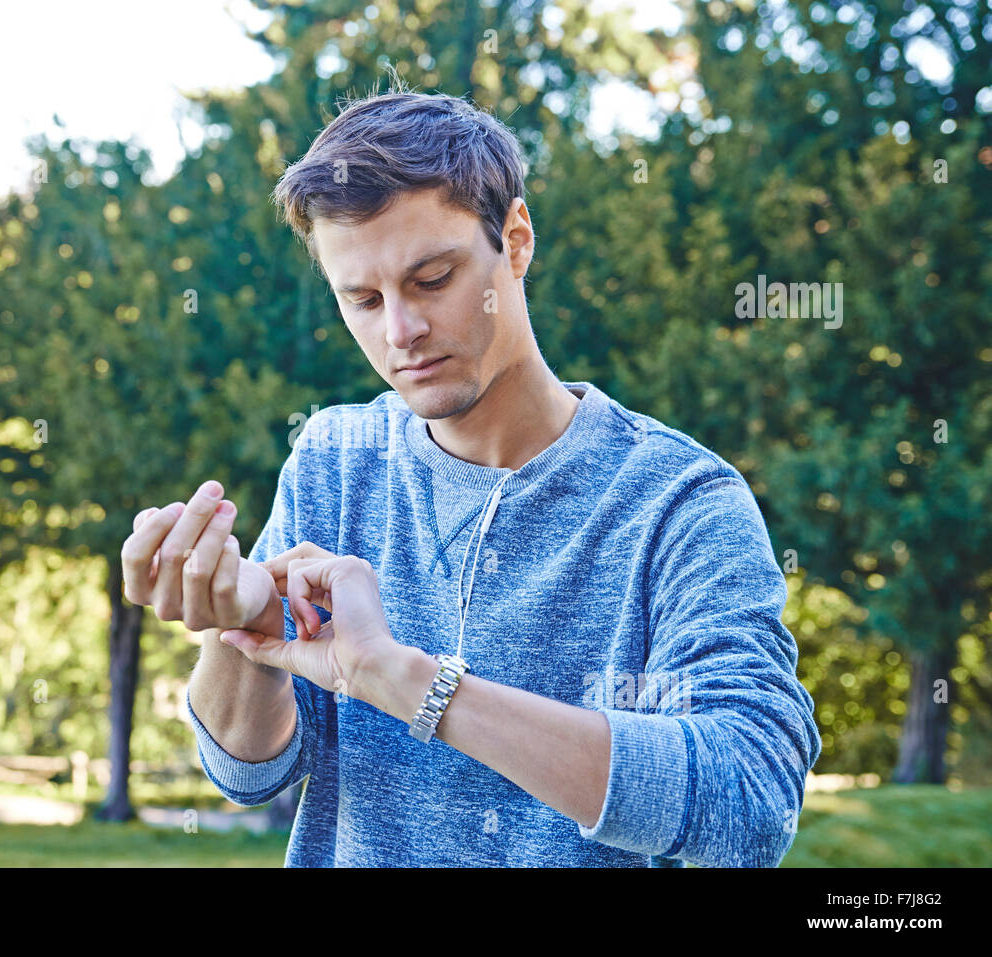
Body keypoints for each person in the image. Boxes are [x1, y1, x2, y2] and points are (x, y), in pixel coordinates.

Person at [120, 89, 821, 867]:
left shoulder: (679, 500)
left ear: (515, 240)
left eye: (432, 279)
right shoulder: (336, 456)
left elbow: (750, 800)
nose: (401, 332)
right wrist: (246, 628)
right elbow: (247, 771)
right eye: (363, 299)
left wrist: (409, 682)